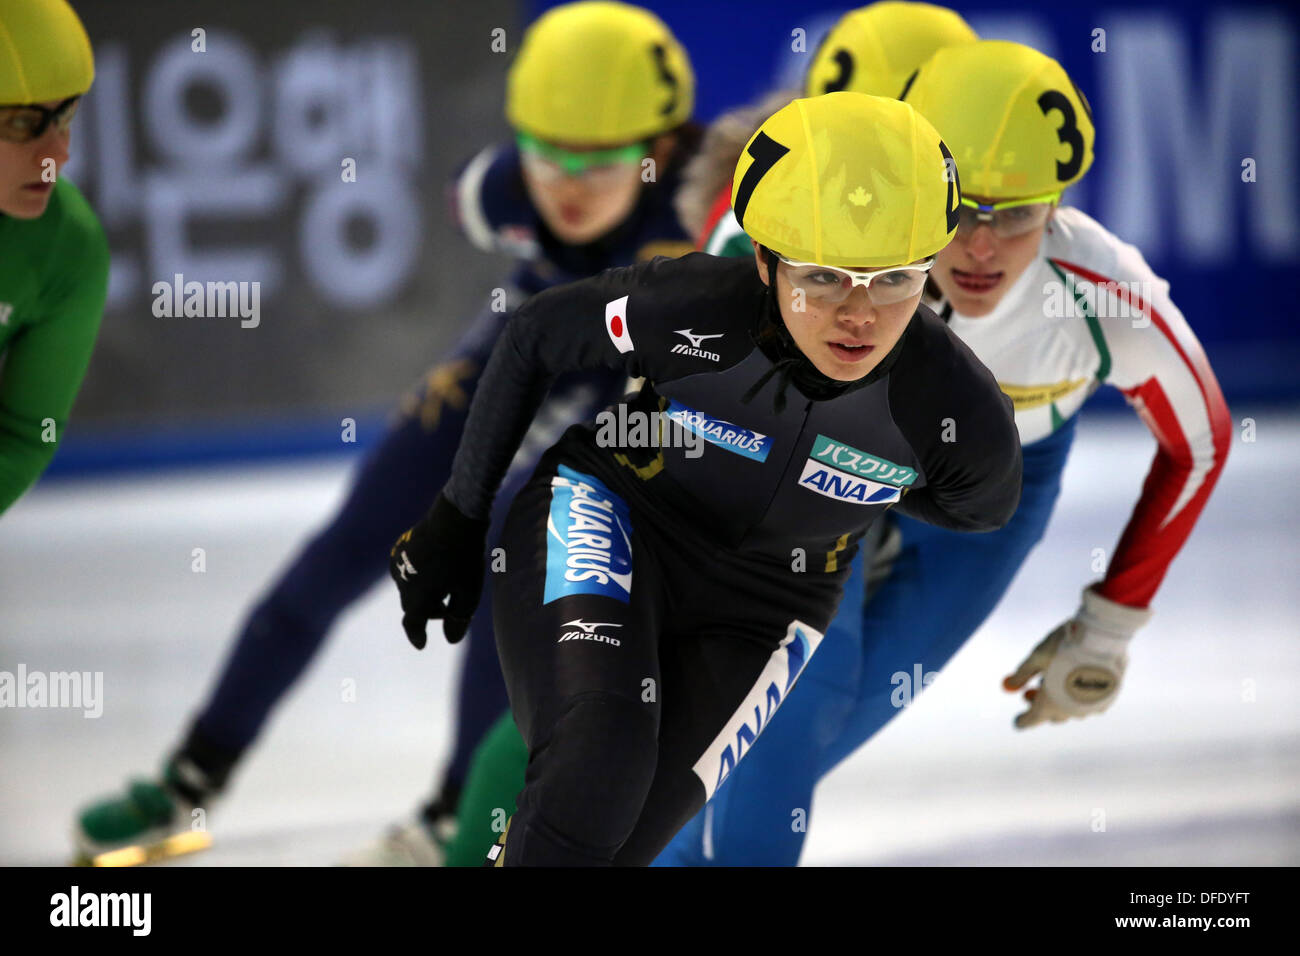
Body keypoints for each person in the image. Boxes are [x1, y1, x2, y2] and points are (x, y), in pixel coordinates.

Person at [73, 0, 700, 865]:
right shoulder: (499, 189)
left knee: (516, 545)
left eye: (601, 161)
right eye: (548, 151)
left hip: (632, 370)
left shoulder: (700, 223)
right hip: (532, 331)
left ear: (662, 149)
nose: (567, 182)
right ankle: (189, 778)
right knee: (348, 543)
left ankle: (460, 811)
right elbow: (499, 204)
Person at [389, 90, 1023, 865]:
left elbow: (981, 507)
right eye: (823, 277)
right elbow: (533, 337)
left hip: (772, 601)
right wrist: (458, 517)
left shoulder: (953, 408)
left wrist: (849, 489)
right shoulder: (692, 310)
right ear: (763, 260)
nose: (859, 314)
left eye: (894, 278)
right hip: (615, 513)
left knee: (620, 846)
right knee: (599, 754)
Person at [657, 39, 1232, 865]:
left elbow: (1204, 441)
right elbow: (699, 308)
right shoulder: (840, 243)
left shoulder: (1103, 293)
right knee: (803, 689)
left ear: (1061, 202)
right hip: (834, 457)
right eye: (963, 211)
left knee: (801, 734)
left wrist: (1110, 622)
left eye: (1021, 214)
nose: (983, 249)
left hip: (999, 486)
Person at [0, 0, 108, 516]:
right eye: (23, 124)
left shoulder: (68, 247)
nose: (58, 152)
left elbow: (25, 432)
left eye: (65, 114)